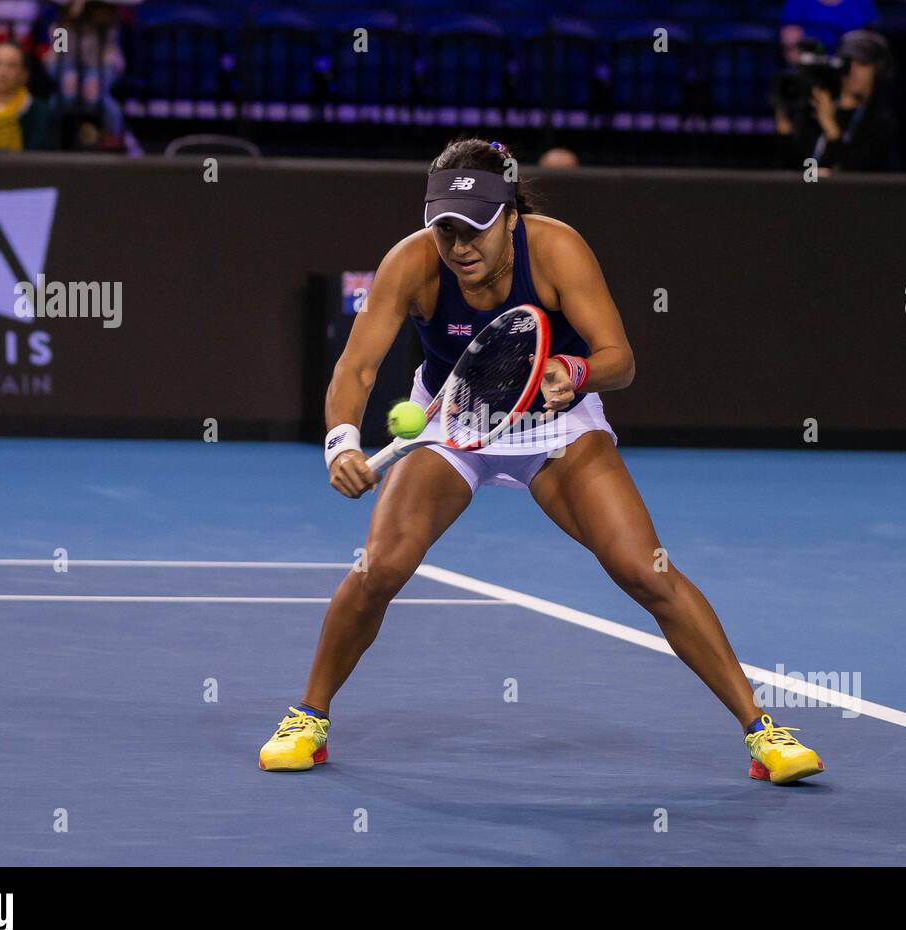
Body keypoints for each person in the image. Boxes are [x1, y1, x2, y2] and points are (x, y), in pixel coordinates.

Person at [258, 138, 826, 786]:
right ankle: (309, 715)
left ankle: (763, 731)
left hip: (556, 423)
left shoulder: (556, 249)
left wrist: (577, 370)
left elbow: (622, 358)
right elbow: (355, 368)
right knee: (380, 566)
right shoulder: (410, 265)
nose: (460, 247)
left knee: (645, 571)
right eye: (445, 230)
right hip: (451, 420)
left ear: (508, 216)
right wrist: (340, 443)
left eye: (474, 230)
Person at [775, 30, 898, 172]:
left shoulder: (880, 121)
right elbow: (792, 171)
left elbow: (859, 176)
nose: (853, 70)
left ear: (877, 69)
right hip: (810, 192)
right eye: (848, 63)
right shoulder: (816, 110)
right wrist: (785, 131)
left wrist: (831, 129)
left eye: (862, 63)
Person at [781, 0, 881, 63]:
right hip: (810, 69)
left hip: (851, 70)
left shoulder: (862, 3)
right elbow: (791, 49)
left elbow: (870, 47)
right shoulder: (798, 2)